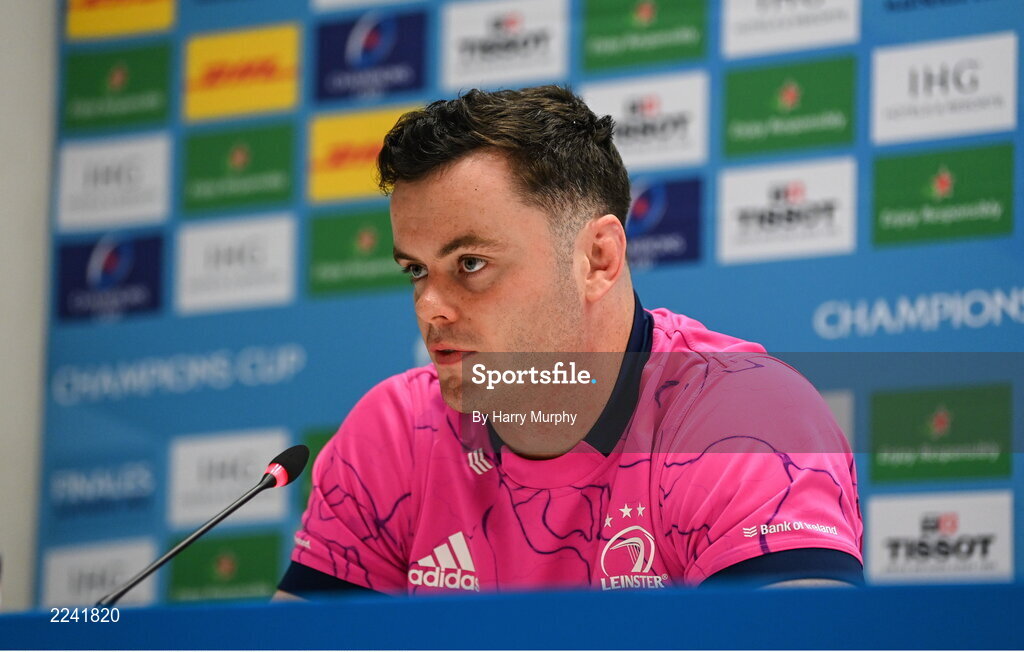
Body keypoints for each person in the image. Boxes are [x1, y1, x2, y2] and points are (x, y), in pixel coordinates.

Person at [275, 86, 862, 598]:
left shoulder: (742, 424)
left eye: (472, 263)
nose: (430, 306)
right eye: (416, 270)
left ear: (598, 259)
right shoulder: (394, 433)